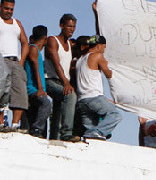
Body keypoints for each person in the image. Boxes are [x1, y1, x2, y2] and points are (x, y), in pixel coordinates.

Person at [75, 35, 122, 140]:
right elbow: (108, 74)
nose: (104, 51)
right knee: (114, 115)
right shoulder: (97, 56)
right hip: (93, 98)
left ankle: (97, 133)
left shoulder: (80, 60)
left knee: (91, 135)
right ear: (100, 46)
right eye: (104, 48)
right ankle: (100, 131)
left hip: (82, 102)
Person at [43, 13, 79, 141]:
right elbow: (56, 64)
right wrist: (66, 83)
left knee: (58, 110)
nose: (72, 29)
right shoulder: (53, 40)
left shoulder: (69, 44)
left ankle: (55, 138)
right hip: (51, 81)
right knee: (70, 96)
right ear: (61, 25)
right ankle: (66, 133)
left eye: (74, 27)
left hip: (63, 81)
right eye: (69, 26)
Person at [0, 0, 30, 132]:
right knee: (2, 92)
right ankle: (1, 124)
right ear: (1, 7)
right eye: (6, 8)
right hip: (1, 59)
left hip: (15, 61)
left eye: (11, 9)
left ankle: (15, 125)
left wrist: (22, 60)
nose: (9, 11)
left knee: (20, 91)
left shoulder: (17, 23)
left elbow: (25, 43)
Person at [24, 25, 52, 138]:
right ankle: (36, 128)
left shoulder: (35, 50)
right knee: (46, 104)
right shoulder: (33, 49)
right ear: (45, 38)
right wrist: (40, 89)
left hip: (37, 89)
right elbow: (36, 70)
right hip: (33, 89)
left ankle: (37, 131)